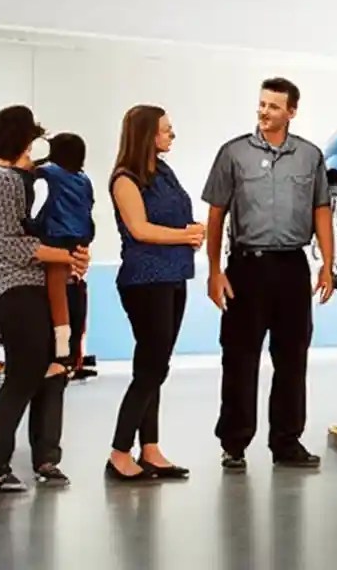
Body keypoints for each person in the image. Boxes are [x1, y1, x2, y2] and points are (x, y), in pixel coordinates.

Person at [202, 77, 334, 472]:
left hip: (293, 267)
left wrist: (328, 263)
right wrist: (213, 270)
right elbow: (215, 213)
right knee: (240, 357)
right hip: (246, 267)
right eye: (261, 104)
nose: (264, 112)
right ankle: (234, 443)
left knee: (292, 358)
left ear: (291, 112)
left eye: (274, 106)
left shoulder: (309, 157)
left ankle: (287, 442)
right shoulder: (233, 154)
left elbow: (321, 210)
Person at [0, 105, 89, 493]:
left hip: (46, 286)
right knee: (24, 374)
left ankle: (46, 459)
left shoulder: (36, 180)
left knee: (53, 373)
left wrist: (73, 255)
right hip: (17, 288)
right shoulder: (4, 183)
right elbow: (8, 246)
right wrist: (64, 255)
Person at [106, 105, 205, 482]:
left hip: (174, 276)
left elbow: (174, 219)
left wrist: (191, 232)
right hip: (145, 281)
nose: (172, 135)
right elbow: (140, 228)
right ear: (147, 135)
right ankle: (119, 451)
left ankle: (150, 448)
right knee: (151, 368)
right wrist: (186, 235)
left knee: (155, 365)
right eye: (166, 130)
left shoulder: (164, 173)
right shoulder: (125, 180)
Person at [31, 133, 95, 377]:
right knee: (71, 288)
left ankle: (61, 347)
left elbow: (30, 171)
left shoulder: (48, 173)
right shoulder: (83, 179)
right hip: (80, 238)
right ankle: (72, 350)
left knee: (56, 293)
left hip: (56, 237)